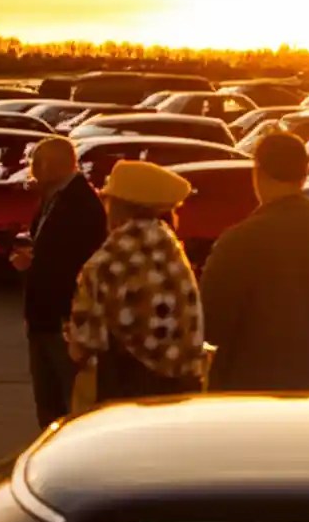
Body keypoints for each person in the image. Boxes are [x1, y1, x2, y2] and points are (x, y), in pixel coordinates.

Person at [200, 132, 309, 392]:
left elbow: (209, 327)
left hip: (254, 402)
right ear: (304, 175)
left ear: (257, 173)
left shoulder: (240, 241)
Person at [67, 160, 206, 404]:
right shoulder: (172, 251)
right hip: (182, 388)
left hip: (128, 391)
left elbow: (86, 341)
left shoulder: (107, 261)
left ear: (119, 207)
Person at [10, 137, 107, 428]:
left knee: (69, 404)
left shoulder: (82, 203)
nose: (32, 170)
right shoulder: (52, 197)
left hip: (64, 321)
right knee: (48, 403)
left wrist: (35, 261)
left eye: (36, 163)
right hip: (43, 317)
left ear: (53, 164)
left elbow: (75, 261)